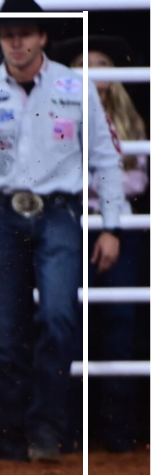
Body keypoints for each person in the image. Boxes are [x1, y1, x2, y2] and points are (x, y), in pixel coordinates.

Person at [0, 0, 125, 463]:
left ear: (41, 37)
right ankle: (12, 433)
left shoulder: (72, 86)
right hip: (2, 215)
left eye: (24, 33)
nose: (16, 43)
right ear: (2, 39)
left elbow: (104, 157)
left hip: (60, 213)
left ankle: (45, 429)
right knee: (5, 329)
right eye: (8, 34)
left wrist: (112, 224)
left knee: (59, 319)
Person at [52, 35, 149, 453]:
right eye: (83, 62)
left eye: (102, 61)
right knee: (68, 322)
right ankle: (73, 426)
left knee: (119, 323)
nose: (93, 70)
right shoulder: (56, 117)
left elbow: (137, 179)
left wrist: (91, 187)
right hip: (73, 224)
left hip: (118, 227)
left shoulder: (131, 123)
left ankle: (118, 428)